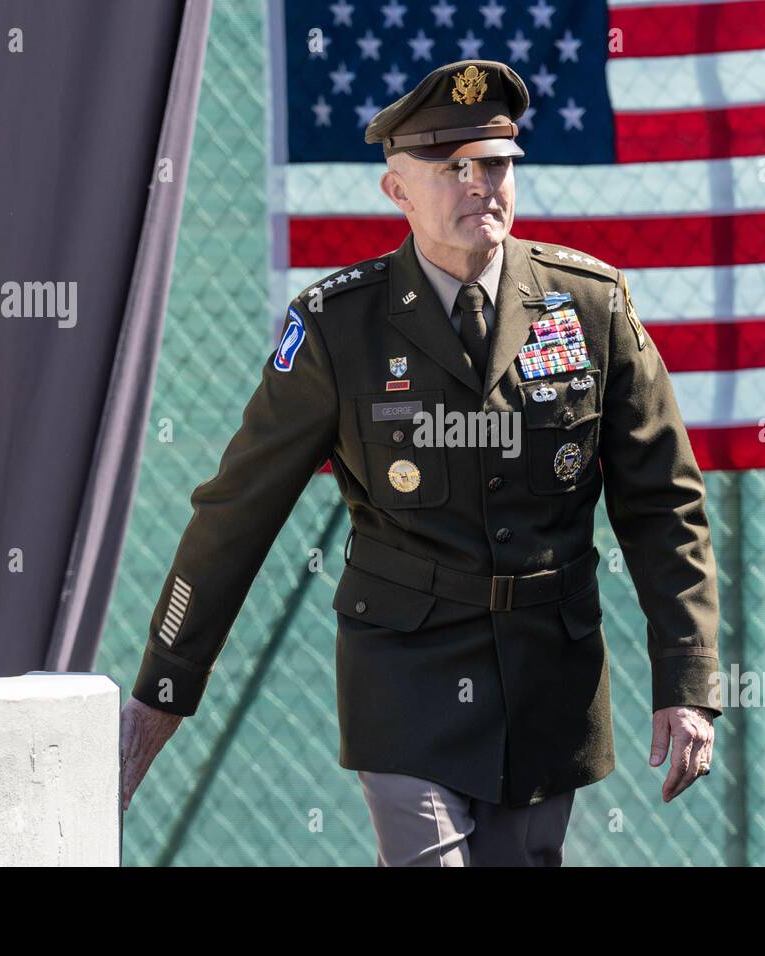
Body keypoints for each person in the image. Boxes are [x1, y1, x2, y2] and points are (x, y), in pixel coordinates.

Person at [120, 59, 722, 866]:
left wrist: (687, 680)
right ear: (397, 192)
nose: (482, 185)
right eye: (452, 168)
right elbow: (239, 512)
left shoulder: (591, 306)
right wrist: (164, 688)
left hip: (548, 676)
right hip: (404, 671)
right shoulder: (340, 329)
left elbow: (662, 504)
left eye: (497, 165)